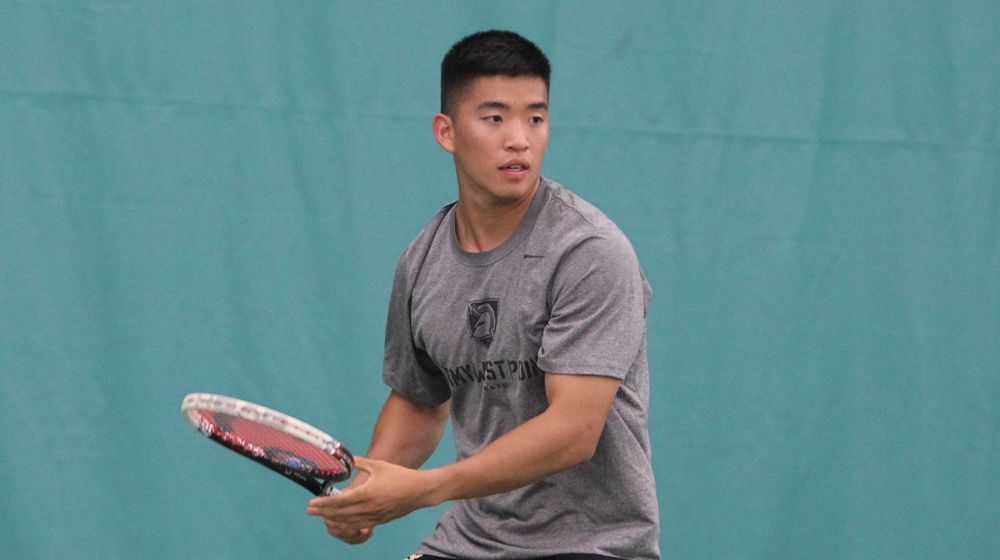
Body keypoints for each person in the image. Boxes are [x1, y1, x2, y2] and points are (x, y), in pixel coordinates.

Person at [307, 30, 659, 560]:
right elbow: (420, 402)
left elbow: (574, 431)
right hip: (470, 541)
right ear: (446, 132)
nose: (518, 139)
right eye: (494, 118)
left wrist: (423, 488)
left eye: (535, 118)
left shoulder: (590, 252)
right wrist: (368, 491)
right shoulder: (422, 262)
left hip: (593, 546)